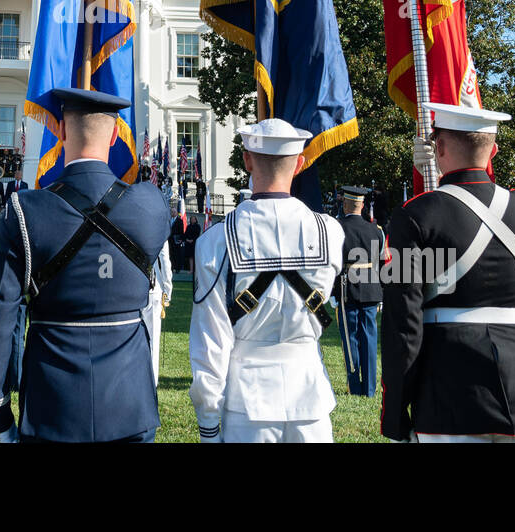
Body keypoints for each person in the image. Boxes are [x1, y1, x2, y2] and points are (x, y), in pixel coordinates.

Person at [0, 88, 169, 442]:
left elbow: (1, 313)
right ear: (115, 136)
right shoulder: (151, 204)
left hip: (52, 407)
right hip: (130, 406)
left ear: (61, 132)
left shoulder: (25, 210)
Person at [381, 102, 515, 443]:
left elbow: (403, 322)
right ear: (495, 149)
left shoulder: (415, 215)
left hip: (448, 387)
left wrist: (396, 411)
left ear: (438, 147)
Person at [189, 118, 343, 442]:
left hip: (246, 404)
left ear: (247, 160)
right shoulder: (330, 231)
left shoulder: (216, 240)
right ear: (300, 164)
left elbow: (211, 340)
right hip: (310, 399)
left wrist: (208, 421)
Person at [334, 185, 383, 398]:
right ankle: (370, 389)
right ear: (362, 206)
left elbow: (333, 262)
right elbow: (380, 261)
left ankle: (355, 387)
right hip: (372, 287)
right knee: (370, 338)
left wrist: (333, 292)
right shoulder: (377, 230)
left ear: (344, 203)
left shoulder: (336, 228)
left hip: (348, 287)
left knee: (350, 337)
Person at [146, 230, 173, 384]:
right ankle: (152, 382)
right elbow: (165, 261)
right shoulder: (157, 229)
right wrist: (167, 290)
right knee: (153, 341)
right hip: (153, 288)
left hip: (132, 288)